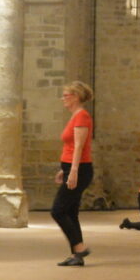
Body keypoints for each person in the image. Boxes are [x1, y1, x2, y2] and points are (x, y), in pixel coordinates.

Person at [52, 81, 94, 267]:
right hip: (72, 167)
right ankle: (77, 255)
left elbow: (79, 146)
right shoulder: (75, 116)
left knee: (58, 210)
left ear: (76, 97)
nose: (63, 99)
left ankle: (79, 247)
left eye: (66, 95)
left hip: (80, 169)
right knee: (70, 211)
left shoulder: (82, 117)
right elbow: (70, 147)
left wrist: (74, 172)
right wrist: (65, 170)